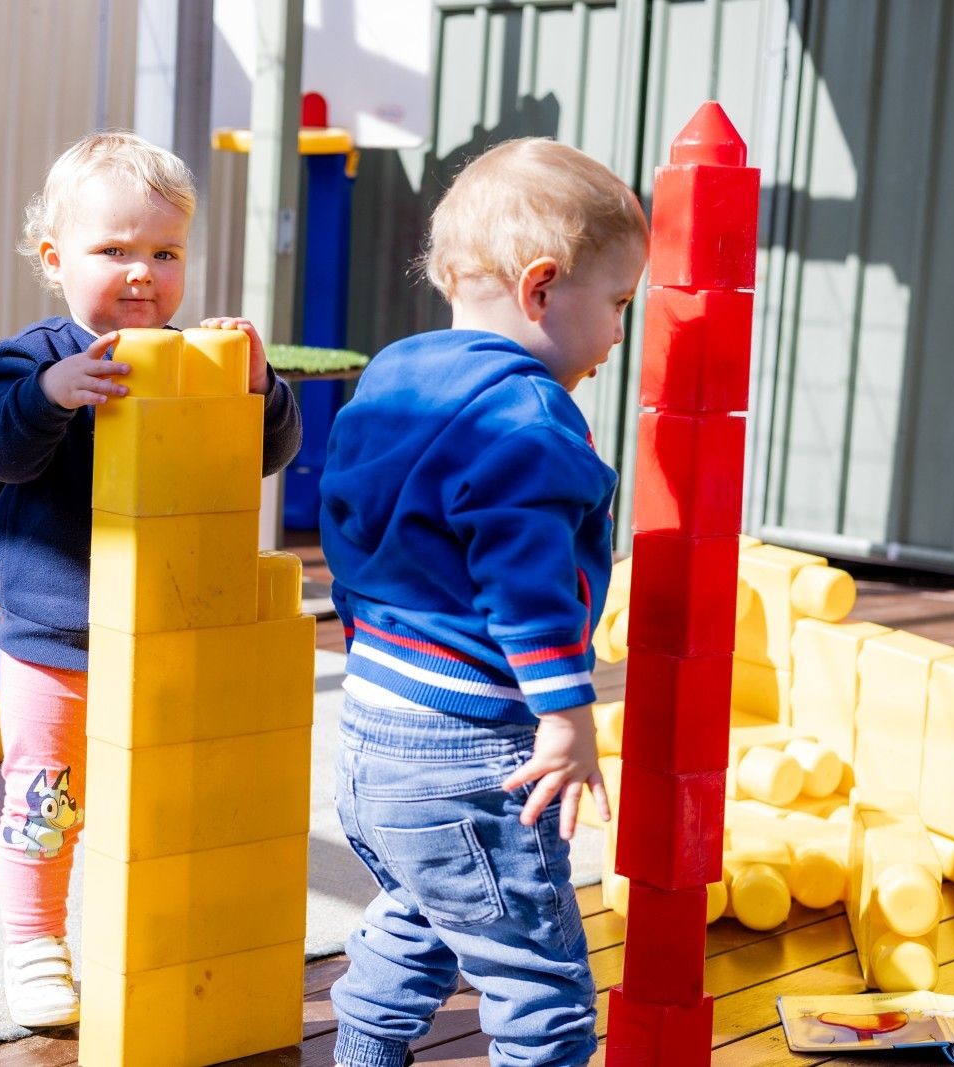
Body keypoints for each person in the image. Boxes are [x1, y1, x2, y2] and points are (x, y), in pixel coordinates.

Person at [318, 137, 647, 1067]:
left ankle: (362, 1055)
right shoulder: (528, 413)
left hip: (371, 735)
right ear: (542, 289)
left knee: (424, 911)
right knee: (538, 980)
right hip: (468, 749)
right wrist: (565, 714)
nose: (619, 335)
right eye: (618, 305)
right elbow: (525, 579)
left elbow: (351, 534)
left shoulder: (391, 376)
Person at [0, 131, 302, 1028]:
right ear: (55, 258)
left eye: (165, 252)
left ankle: (150, 933)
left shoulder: (196, 356)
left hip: (164, 633)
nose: (142, 273)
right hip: (55, 637)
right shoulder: (31, 355)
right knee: (47, 800)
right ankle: (35, 942)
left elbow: (265, 455)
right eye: (113, 251)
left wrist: (256, 385)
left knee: (157, 799)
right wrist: (51, 393)